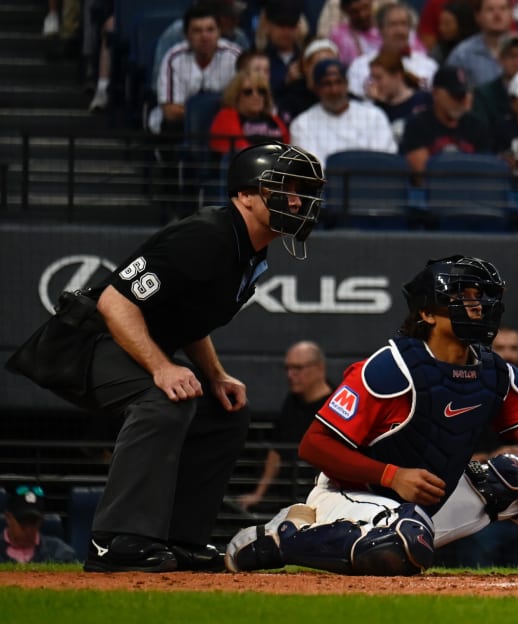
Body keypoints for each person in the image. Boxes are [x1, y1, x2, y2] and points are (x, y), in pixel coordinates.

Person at [223, 255, 518, 578]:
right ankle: (284, 538)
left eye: (482, 298)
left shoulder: (496, 372)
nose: (477, 306)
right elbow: (314, 446)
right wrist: (392, 475)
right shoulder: (391, 367)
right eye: (463, 298)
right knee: (403, 542)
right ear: (427, 313)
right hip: (351, 497)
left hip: (427, 506)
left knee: (514, 475)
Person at [6, 143, 325, 572]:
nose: (297, 201)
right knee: (163, 401)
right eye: (284, 188)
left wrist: (215, 375)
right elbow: (115, 302)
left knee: (225, 413)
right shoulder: (206, 235)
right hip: (84, 343)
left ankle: (179, 540)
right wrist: (162, 367)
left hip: (126, 344)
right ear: (245, 195)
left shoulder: (247, 252)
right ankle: (115, 541)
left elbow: (189, 319)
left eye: (302, 191)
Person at [237, 341, 334, 513]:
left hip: (323, 499)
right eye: (288, 368)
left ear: (319, 368)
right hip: (288, 498)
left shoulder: (336, 405)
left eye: (298, 368)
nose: (290, 375)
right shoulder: (292, 402)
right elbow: (277, 451)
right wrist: (259, 494)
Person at [150, 2, 244, 136]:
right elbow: (170, 111)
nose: (205, 37)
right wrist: (204, 114)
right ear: (187, 35)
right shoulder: (174, 58)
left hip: (224, 124)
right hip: (180, 125)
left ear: (219, 32)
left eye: (210, 30)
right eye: (197, 31)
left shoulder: (235, 56)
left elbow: (245, 104)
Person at [288, 58, 396, 167]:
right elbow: (311, 170)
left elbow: (386, 162)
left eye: (338, 82)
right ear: (317, 89)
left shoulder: (374, 116)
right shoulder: (302, 124)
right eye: (327, 84)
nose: (334, 90)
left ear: (347, 84)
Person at [400, 66, 495, 178]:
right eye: (456, 95)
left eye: (464, 95)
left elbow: (485, 172)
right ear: (436, 93)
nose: (461, 101)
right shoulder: (418, 125)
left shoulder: (477, 126)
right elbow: (421, 176)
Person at [209, 71, 288, 154]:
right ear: (236, 96)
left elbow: (289, 149)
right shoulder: (226, 117)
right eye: (248, 92)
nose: (256, 96)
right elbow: (241, 153)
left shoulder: (275, 120)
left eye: (261, 91)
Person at [4, 485, 79, 563]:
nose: (28, 529)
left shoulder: (60, 553)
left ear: (41, 520)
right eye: (23, 522)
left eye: (33, 522)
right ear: (8, 518)